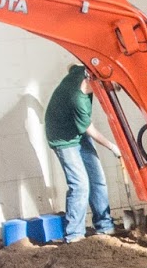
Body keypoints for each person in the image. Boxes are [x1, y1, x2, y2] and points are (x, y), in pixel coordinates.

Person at [45, 64, 121, 242]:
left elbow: (70, 67)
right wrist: (112, 147)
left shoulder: (83, 71)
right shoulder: (77, 99)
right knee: (80, 185)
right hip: (63, 138)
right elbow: (90, 130)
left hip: (77, 131)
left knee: (98, 179)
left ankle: (105, 225)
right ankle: (74, 234)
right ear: (96, 83)